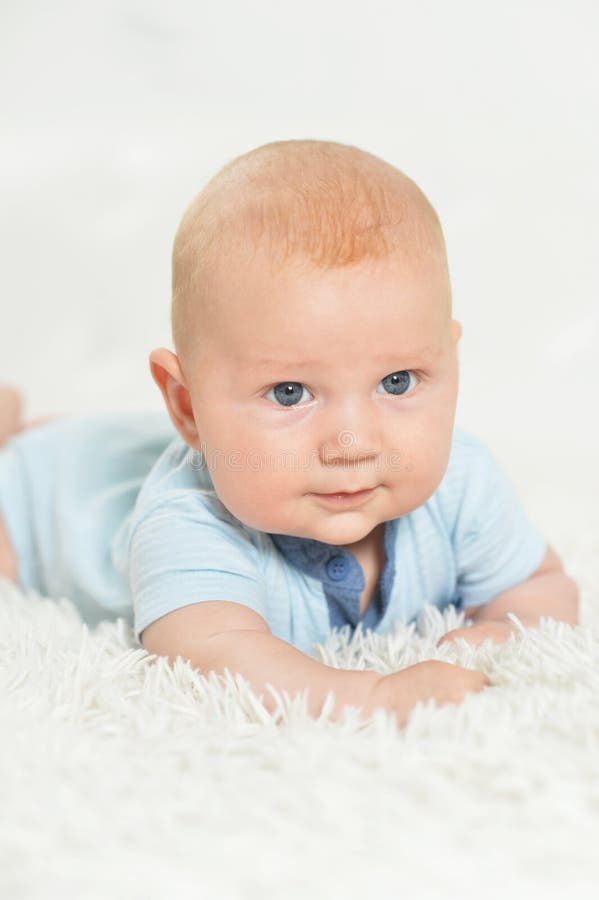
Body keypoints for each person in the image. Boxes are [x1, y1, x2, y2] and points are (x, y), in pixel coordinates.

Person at [0, 139, 579, 728]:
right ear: (187, 405)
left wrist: (508, 626)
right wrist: (372, 700)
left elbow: (539, 582)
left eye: (398, 382)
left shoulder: (464, 482)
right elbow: (214, 659)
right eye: (290, 393)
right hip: (34, 497)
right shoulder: (189, 521)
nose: (353, 445)